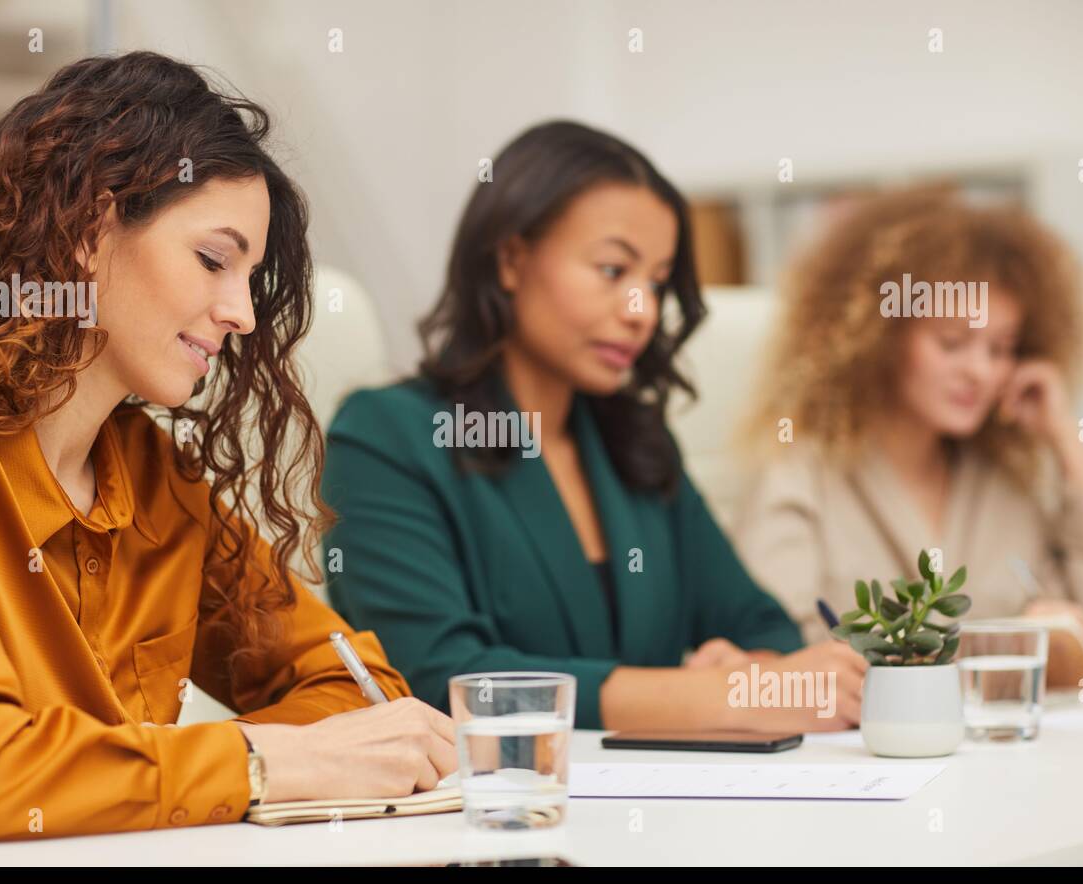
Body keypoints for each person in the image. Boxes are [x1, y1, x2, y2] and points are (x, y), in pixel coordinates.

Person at [0, 52, 455, 841]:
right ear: (89, 232)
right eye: (213, 260)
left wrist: (140, 774)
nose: (243, 314)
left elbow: (358, 694)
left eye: (251, 276)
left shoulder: (157, 478)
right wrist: (254, 763)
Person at [321, 120, 865, 734]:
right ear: (511, 258)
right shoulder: (386, 435)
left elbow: (760, 624)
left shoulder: (631, 442)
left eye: (656, 282)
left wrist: (754, 670)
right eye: (613, 270)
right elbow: (439, 678)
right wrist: (718, 697)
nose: (644, 312)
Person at [732, 186, 1083, 665]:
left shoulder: (1009, 480)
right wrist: (1010, 643)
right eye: (952, 342)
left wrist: (1068, 442)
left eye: (1000, 348)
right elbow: (775, 649)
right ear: (879, 338)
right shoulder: (799, 469)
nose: (981, 372)